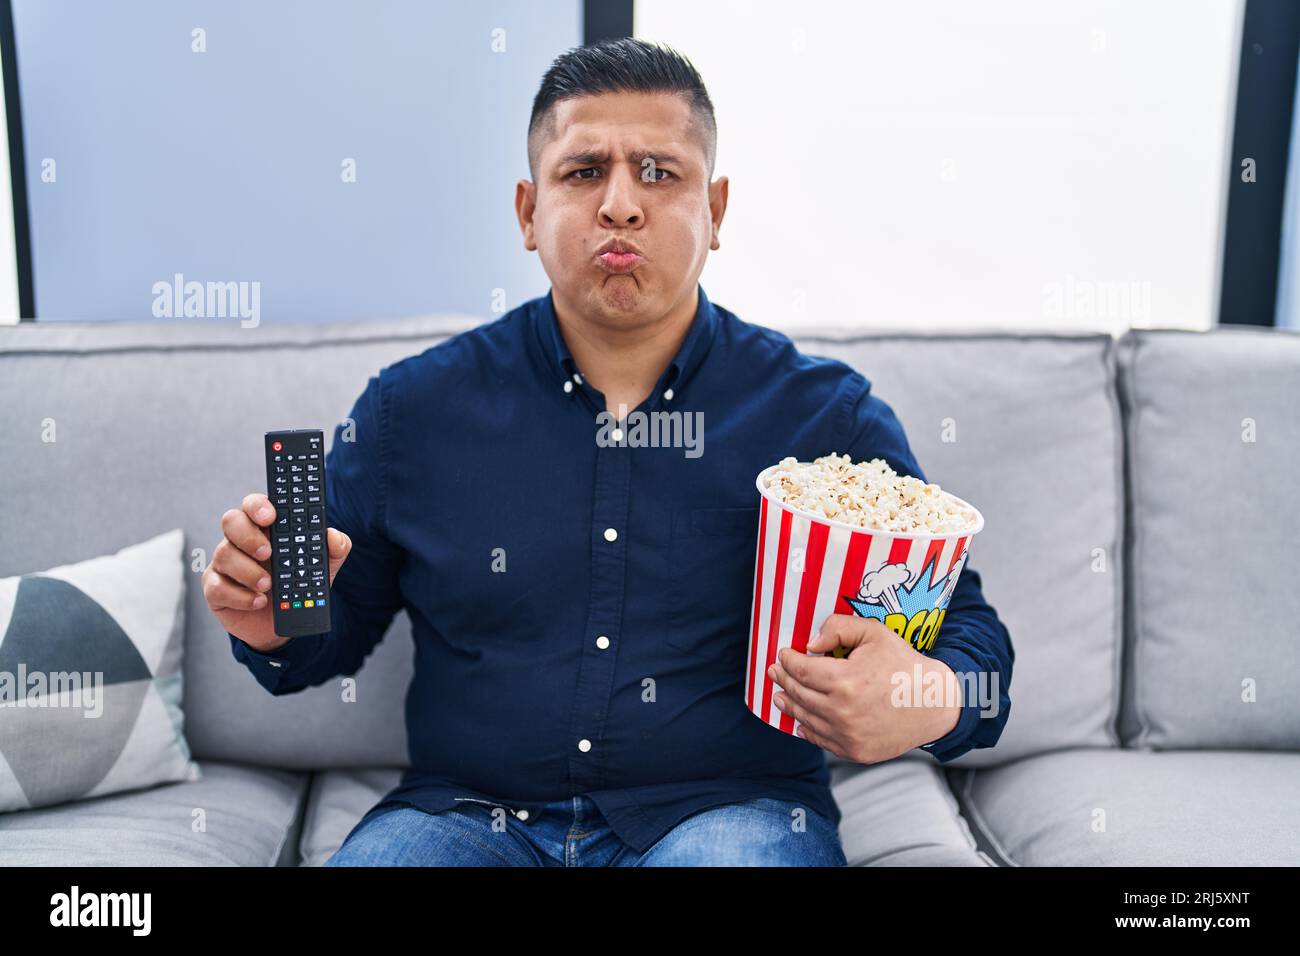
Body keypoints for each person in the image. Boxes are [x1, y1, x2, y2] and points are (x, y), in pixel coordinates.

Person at [204, 37, 1013, 867]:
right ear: (528, 211)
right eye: (584, 171)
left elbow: (973, 640)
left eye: (659, 172)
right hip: (463, 816)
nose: (621, 205)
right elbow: (321, 643)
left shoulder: (823, 416)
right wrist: (271, 626)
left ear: (718, 211)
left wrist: (923, 696)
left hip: (726, 815)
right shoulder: (410, 411)